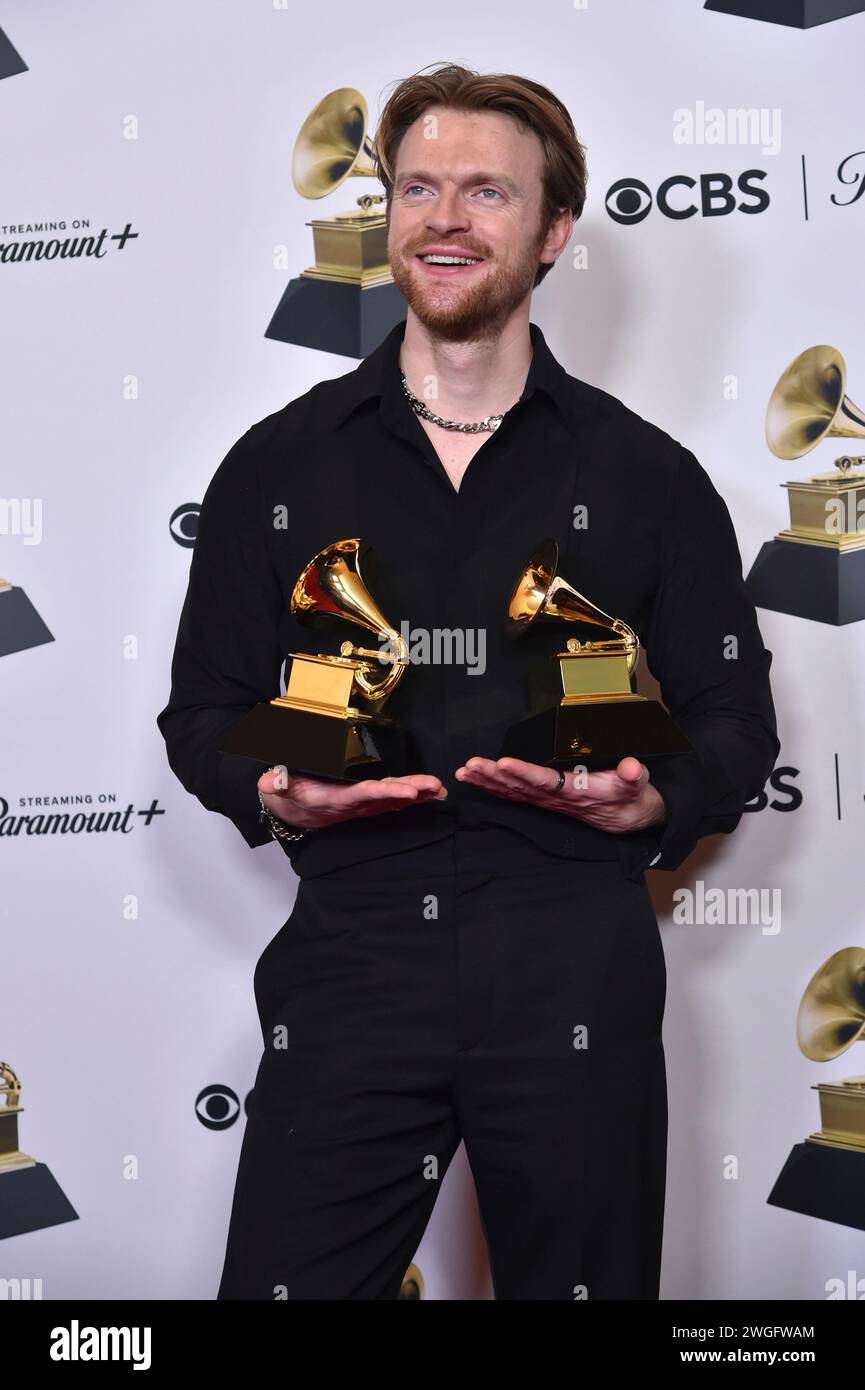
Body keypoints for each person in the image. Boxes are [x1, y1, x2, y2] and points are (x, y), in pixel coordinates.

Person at [156, 62, 780, 1300]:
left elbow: (730, 716)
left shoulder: (650, 476)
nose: (443, 218)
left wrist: (651, 804)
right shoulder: (275, 465)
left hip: (573, 959)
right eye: (419, 188)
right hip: (352, 957)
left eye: (486, 191)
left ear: (551, 232)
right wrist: (278, 787)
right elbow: (203, 711)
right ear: (386, 219)